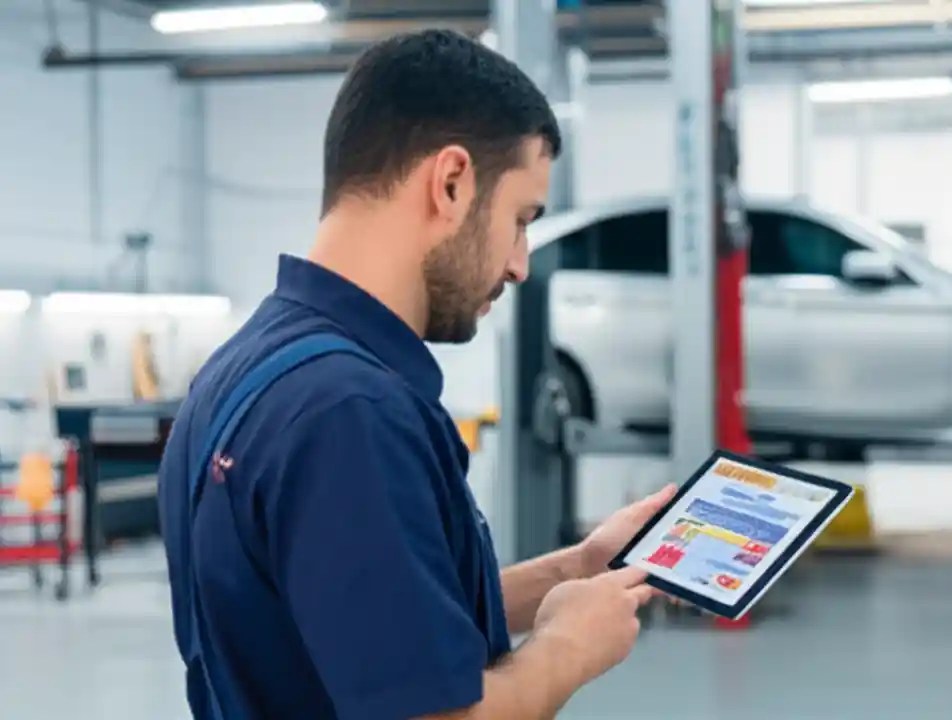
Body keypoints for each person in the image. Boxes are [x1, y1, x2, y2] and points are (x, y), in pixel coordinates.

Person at [157, 29, 676, 720]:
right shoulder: (350, 412)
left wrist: (574, 570)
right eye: (520, 220)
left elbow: (367, 613)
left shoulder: (246, 368)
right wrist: (566, 650)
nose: (521, 264)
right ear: (452, 183)